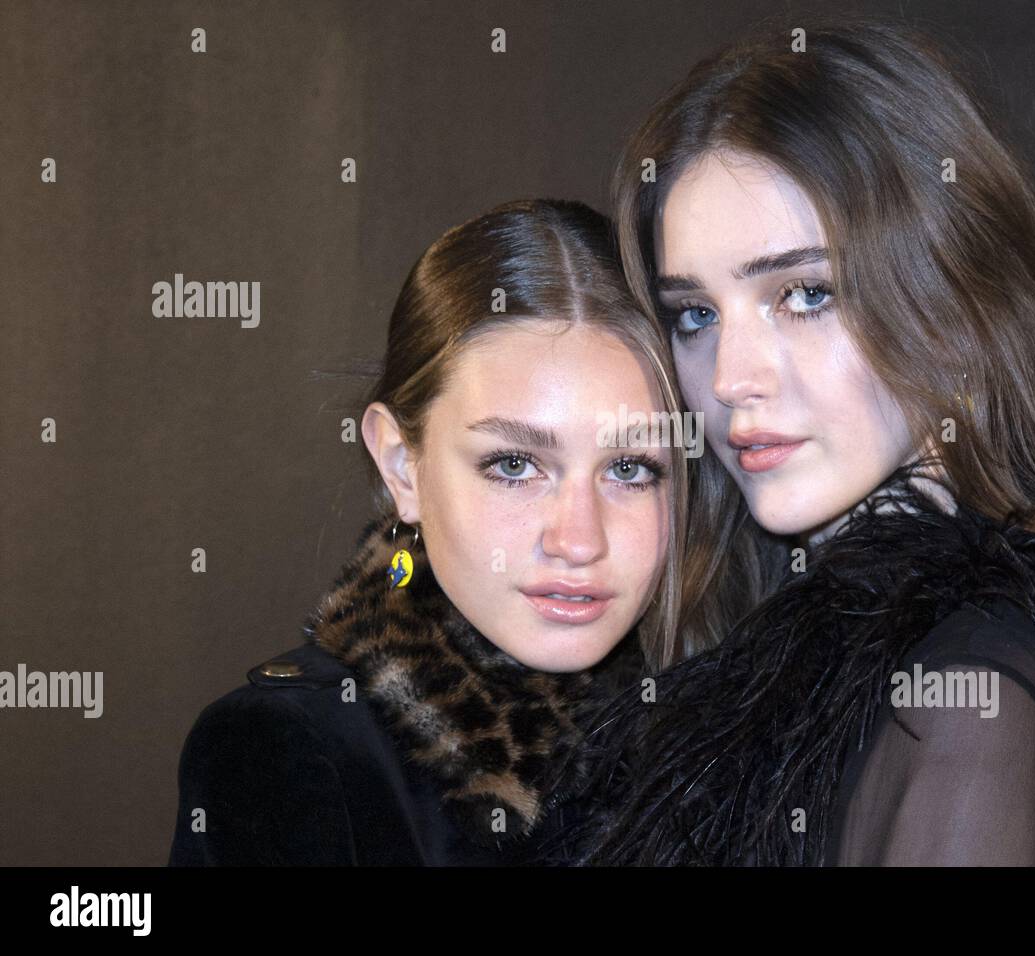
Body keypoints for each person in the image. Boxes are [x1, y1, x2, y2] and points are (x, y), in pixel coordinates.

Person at [538, 16, 1035, 866]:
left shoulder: (967, 699)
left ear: (956, 301)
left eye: (804, 295)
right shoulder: (759, 658)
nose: (733, 375)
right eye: (695, 315)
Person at [167, 198, 689, 865]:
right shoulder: (290, 752)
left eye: (631, 468)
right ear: (401, 465)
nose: (580, 540)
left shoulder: (722, 739)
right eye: (514, 464)